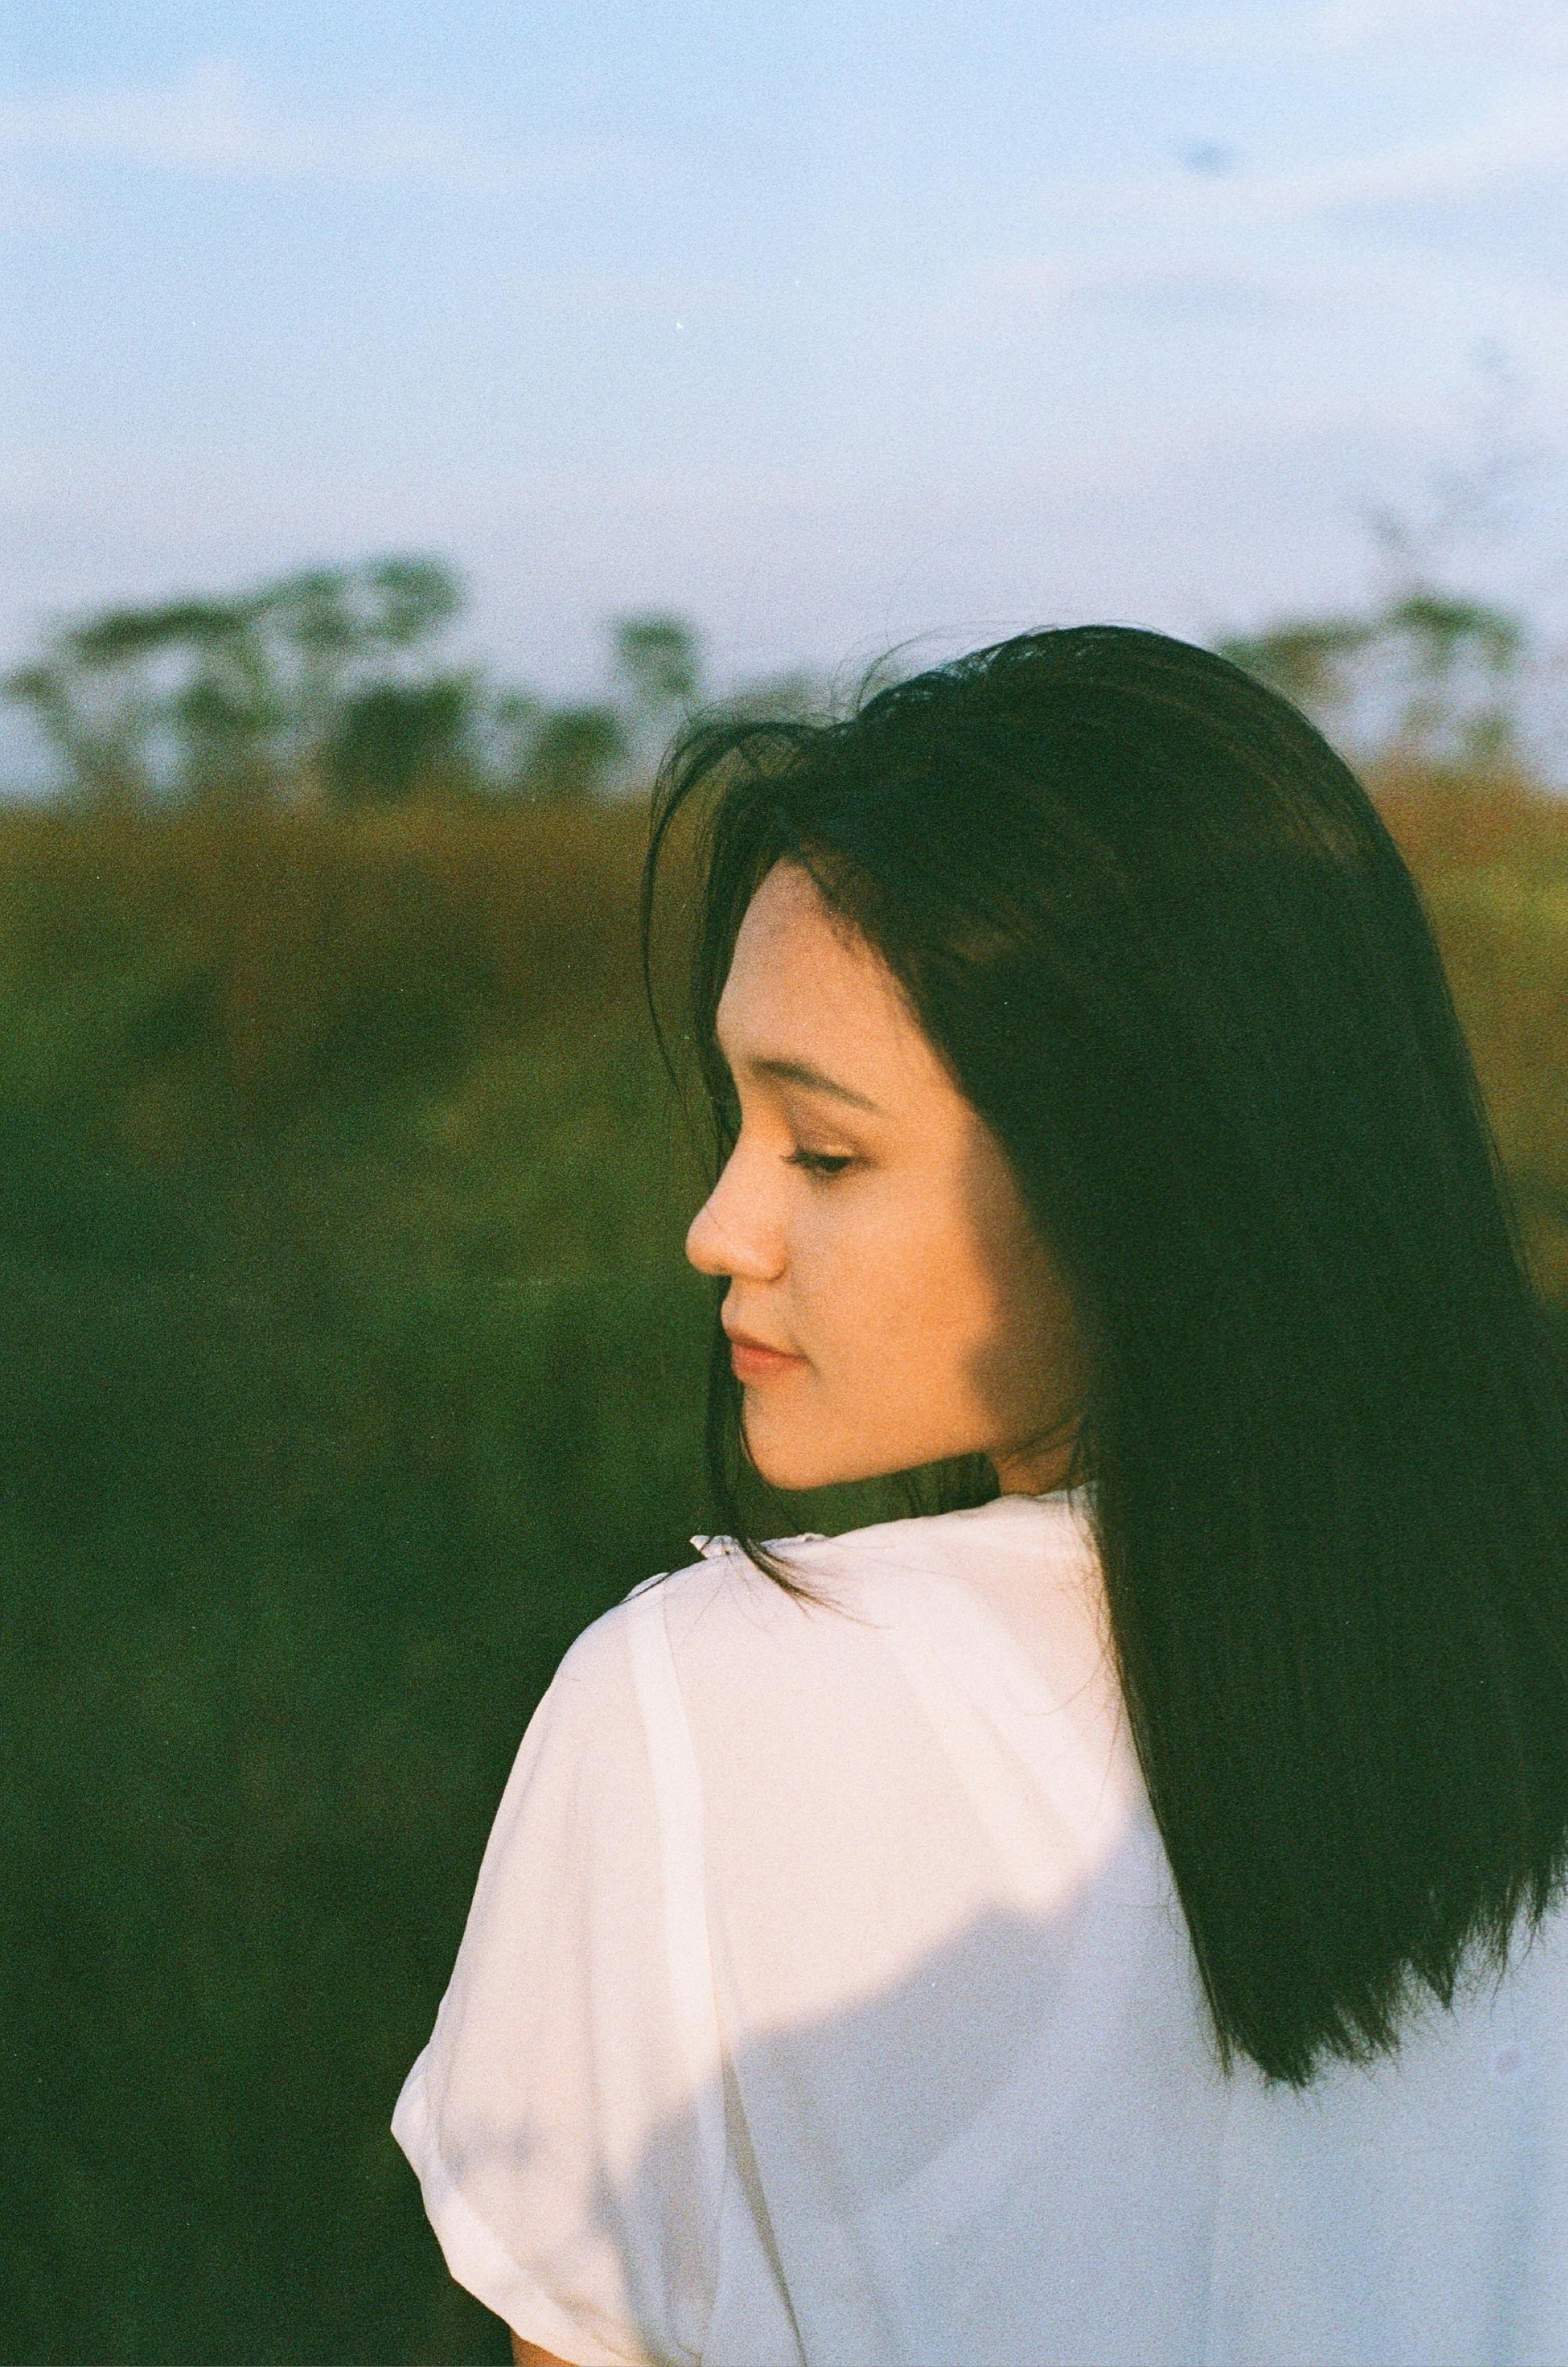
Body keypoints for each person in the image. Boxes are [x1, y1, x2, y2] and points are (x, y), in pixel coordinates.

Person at [392, 624, 1568, 2366]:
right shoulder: (1501, 1649)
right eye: (737, 1120)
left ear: (1150, 1169)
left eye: (827, 1149)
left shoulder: (701, 1707)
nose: (719, 1227)